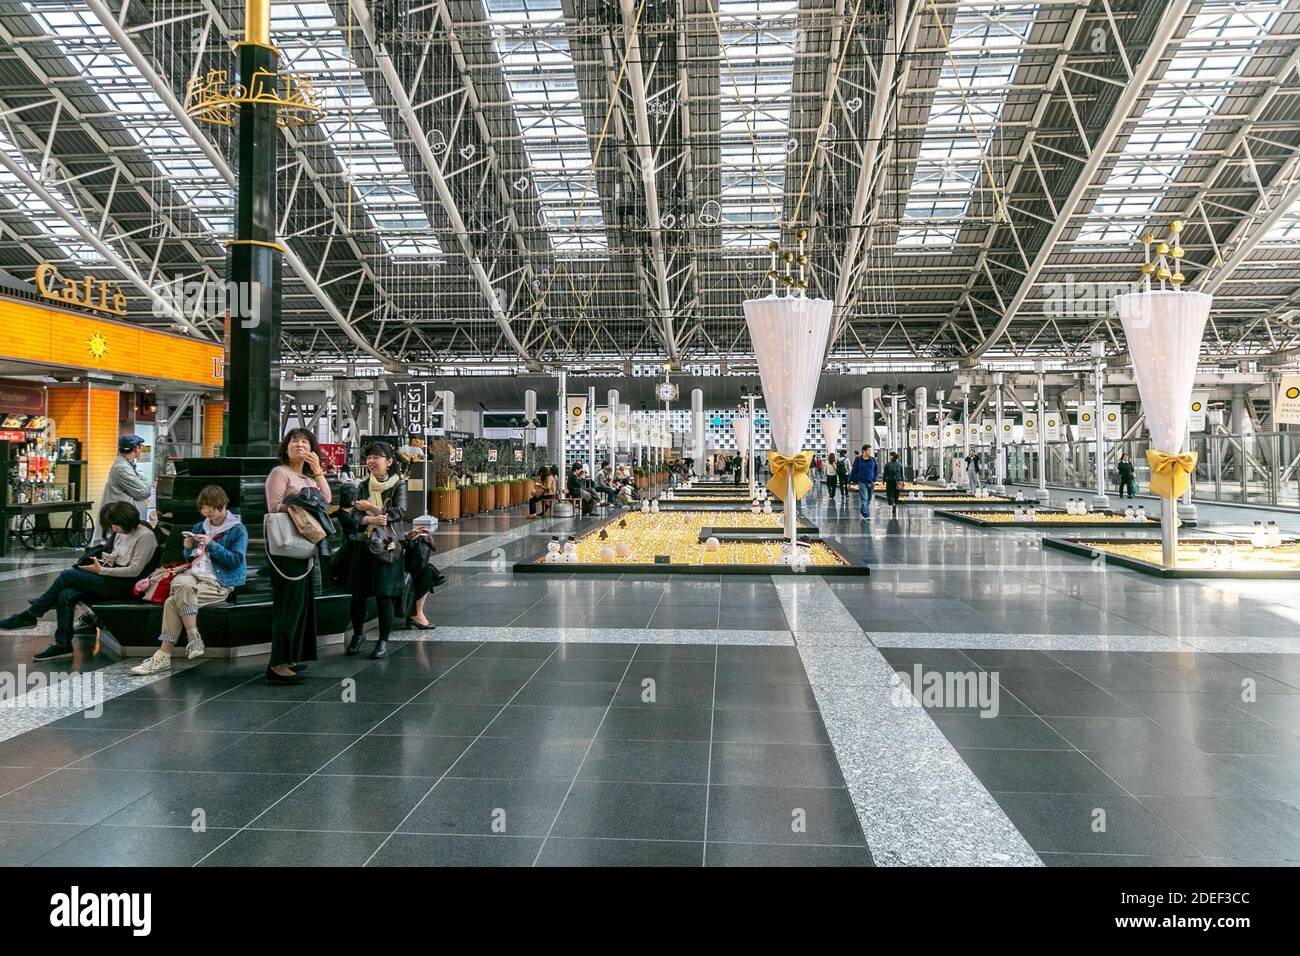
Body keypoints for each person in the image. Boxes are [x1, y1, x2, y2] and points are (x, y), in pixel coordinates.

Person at [1, 501, 157, 661]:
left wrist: (100, 570)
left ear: (126, 521)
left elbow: (134, 571)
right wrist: (98, 564)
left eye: (115, 525)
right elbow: (115, 555)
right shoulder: (122, 533)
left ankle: (31, 614)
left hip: (124, 585)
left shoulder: (145, 537)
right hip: (111, 576)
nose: (113, 529)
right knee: (66, 594)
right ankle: (63, 644)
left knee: (68, 575)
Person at [130, 485, 247, 675]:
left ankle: (163, 656)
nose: (206, 511)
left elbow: (236, 561)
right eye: (203, 507)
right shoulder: (200, 526)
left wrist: (211, 545)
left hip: (217, 582)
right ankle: (194, 639)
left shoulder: (237, 529)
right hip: (193, 576)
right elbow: (190, 559)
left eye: (211, 507)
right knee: (180, 583)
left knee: (171, 602)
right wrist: (187, 548)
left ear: (223, 504)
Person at [264, 427, 332, 685]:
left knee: (301, 604)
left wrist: (317, 471)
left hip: (303, 546)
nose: (299, 445)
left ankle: (291, 657)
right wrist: (300, 504)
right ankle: (277, 663)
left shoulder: (309, 478)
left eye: (305, 442)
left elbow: (326, 500)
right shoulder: (279, 473)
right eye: (294, 441)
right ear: (286, 446)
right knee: (289, 605)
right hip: (285, 547)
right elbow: (273, 508)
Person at [340, 442, 407, 660]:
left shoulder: (399, 485)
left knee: (384, 594)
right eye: (369, 457)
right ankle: (358, 635)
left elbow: (397, 512)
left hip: (388, 545)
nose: (371, 461)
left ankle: (383, 640)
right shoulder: (362, 485)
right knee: (358, 594)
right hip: (364, 542)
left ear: (388, 462)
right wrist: (371, 518)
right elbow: (354, 516)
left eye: (376, 457)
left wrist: (369, 508)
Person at [94, 435, 153, 543]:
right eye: (140, 447)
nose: (141, 450)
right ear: (135, 448)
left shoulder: (127, 465)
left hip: (125, 517)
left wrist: (143, 482)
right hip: (124, 517)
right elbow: (143, 492)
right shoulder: (122, 468)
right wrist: (148, 484)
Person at [849, 444, 878, 519]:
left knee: (868, 499)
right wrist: (850, 481)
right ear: (864, 451)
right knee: (864, 498)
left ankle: (862, 510)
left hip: (871, 482)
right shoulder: (858, 460)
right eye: (868, 450)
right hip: (862, 482)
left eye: (870, 450)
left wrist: (875, 479)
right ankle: (866, 515)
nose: (870, 452)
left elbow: (876, 470)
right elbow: (854, 471)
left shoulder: (873, 459)